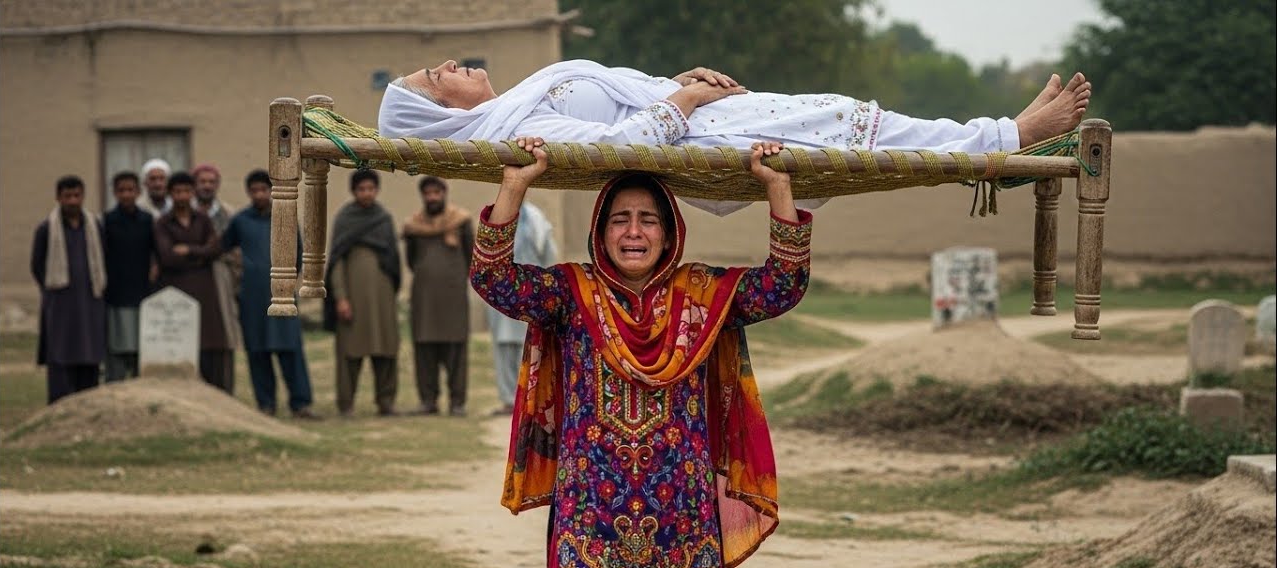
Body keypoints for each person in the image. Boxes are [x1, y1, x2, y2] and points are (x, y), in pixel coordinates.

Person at [472, 137, 807, 568]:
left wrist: (776, 188)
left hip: (683, 528)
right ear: (600, 232)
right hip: (592, 527)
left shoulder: (703, 296)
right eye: (621, 220)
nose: (634, 232)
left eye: (648, 220)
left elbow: (781, 285)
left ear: (670, 231)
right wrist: (515, 186)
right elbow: (494, 280)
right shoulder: (570, 294)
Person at [380, 60, 1091, 215]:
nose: (447, 65)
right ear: (441, 110)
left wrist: (675, 82)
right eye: (430, 77)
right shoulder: (518, 129)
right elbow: (626, 151)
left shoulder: (523, 96)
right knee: (859, 137)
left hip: (705, 116)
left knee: (856, 116)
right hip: (704, 140)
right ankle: (1010, 141)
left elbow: (625, 103)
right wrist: (682, 100)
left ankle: (1002, 138)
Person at [222, 169, 320, 419]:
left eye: (264, 189)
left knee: (290, 349)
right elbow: (222, 248)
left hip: (282, 295)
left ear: (272, 190)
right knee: (257, 351)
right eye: (254, 191)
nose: (260, 195)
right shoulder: (240, 221)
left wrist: (285, 282)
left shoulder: (285, 217)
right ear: (249, 192)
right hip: (251, 297)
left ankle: (301, 404)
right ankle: (266, 404)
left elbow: (298, 254)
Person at [324, 168, 401, 417]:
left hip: (382, 297)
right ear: (354, 191)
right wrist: (341, 297)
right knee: (349, 352)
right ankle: (346, 405)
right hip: (353, 297)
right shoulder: (345, 218)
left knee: (386, 349)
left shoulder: (384, 218)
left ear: (376, 190)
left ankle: (386, 402)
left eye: (370, 188)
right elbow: (336, 261)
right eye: (361, 189)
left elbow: (393, 260)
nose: (366, 193)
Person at [402, 176, 475, 416]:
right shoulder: (414, 226)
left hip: (453, 298)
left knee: (456, 351)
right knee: (424, 351)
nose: (432, 197)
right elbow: (411, 261)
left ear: (444, 193)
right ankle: (428, 401)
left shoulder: (461, 221)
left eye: (437, 192)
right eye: (428, 193)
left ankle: (457, 403)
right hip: (424, 298)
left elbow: (470, 258)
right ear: (423, 196)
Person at [31, 175, 107, 404]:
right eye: (67, 196)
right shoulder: (46, 229)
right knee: (61, 352)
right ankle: (60, 405)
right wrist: (52, 291)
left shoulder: (95, 226)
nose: (73, 201)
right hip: (60, 302)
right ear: (58, 198)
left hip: (91, 300)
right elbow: (37, 266)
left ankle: (88, 403)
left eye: (77, 195)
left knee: (89, 353)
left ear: (83, 196)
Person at [154, 171, 233, 391]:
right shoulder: (162, 223)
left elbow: (216, 249)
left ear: (193, 193)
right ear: (170, 194)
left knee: (210, 344)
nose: (182, 196)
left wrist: (188, 249)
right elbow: (167, 257)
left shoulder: (203, 219)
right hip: (176, 288)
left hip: (206, 290)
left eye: (187, 191)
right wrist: (200, 256)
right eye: (177, 191)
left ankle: (216, 394)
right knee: (181, 342)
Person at [484, 198, 556, 415]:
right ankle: (508, 400)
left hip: (530, 293)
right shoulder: (496, 218)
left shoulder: (535, 219)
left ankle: (529, 401)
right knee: (504, 348)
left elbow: (548, 254)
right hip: (501, 293)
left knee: (530, 345)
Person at [192, 162, 244, 394]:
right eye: (202, 182)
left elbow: (237, 251)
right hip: (192, 278)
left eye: (211, 182)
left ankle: (225, 391)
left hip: (222, 279)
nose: (206, 186)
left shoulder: (229, 214)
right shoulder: (185, 212)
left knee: (223, 335)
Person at [102, 171, 155, 382]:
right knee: (117, 344)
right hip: (115, 292)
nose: (126, 194)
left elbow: (155, 253)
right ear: (115, 193)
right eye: (121, 190)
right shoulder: (107, 221)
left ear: (139, 191)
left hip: (142, 290)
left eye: (130, 190)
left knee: (140, 345)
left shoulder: (147, 220)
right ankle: (115, 385)